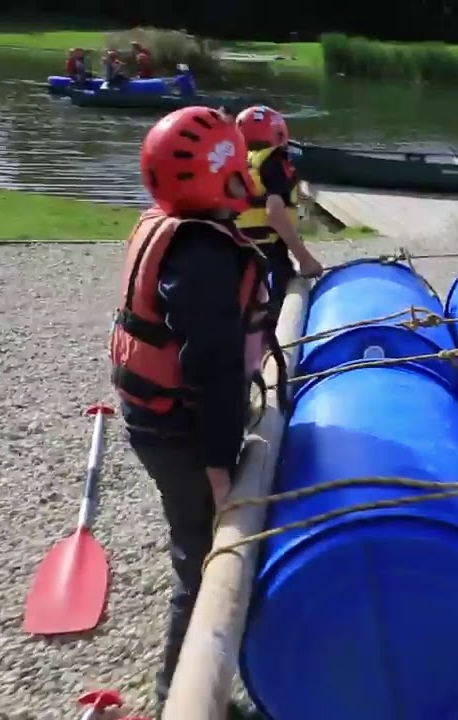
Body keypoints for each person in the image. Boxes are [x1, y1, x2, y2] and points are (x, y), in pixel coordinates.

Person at [109, 106, 285, 717]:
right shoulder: (203, 255)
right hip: (180, 429)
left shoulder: (171, 227)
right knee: (205, 556)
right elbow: (210, 363)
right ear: (226, 175)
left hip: (156, 418)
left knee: (195, 544)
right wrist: (218, 463)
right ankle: (180, 697)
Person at [234, 105, 323, 310]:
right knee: (276, 310)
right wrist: (305, 259)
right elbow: (274, 213)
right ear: (279, 133)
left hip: (236, 252)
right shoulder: (274, 162)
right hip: (269, 257)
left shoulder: (239, 163)